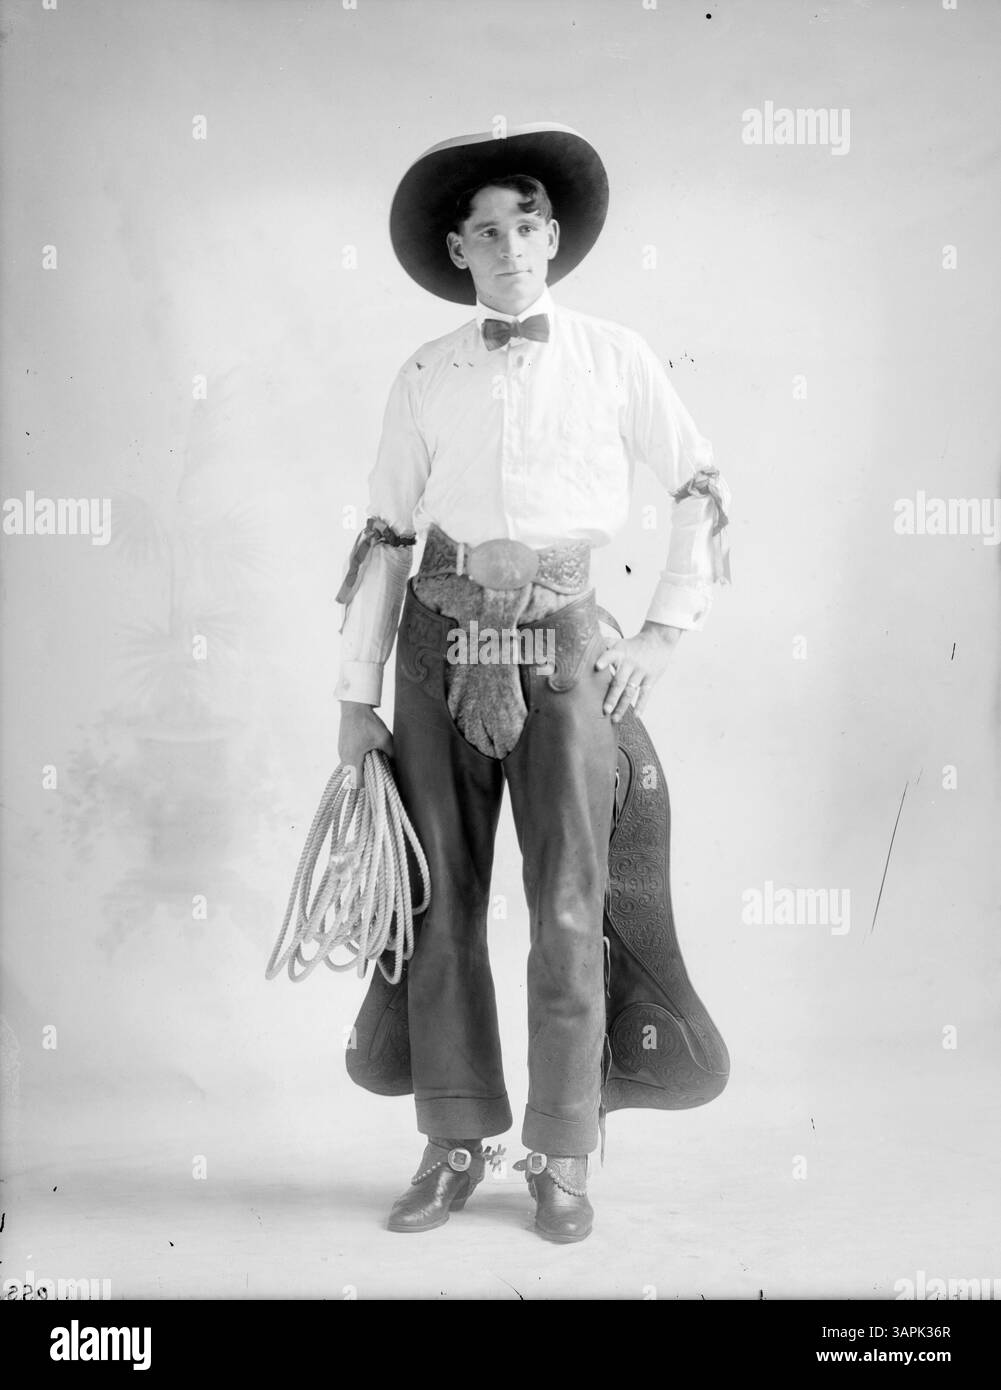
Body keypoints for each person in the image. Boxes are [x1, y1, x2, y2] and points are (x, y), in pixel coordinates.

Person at [334, 123, 730, 1243]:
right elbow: (382, 533)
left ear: (552, 237)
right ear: (458, 253)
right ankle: (454, 1139)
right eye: (486, 232)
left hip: (565, 644)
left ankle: (562, 1152)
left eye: (527, 226)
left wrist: (658, 632)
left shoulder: (614, 355)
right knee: (438, 900)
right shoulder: (424, 373)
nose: (510, 247)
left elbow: (697, 484)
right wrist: (354, 693)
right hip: (434, 642)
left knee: (568, 902)